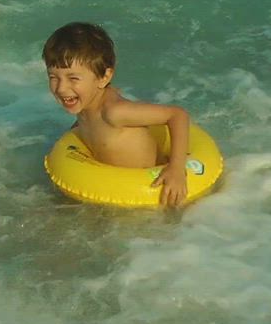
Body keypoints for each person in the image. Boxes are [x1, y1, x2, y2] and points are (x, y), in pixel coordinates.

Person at [42, 22, 191, 207]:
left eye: (73, 78)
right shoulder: (85, 106)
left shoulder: (114, 112)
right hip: (114, 190)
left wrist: (176, 168)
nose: (61, 88)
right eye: (53, 77)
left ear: (104, 77)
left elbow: (177, 115)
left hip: (148, 197)